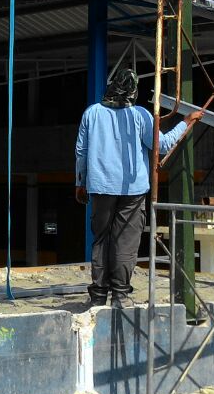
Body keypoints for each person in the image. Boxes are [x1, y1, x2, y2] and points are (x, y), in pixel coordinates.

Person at [74, 69, 204, 307]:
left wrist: (80, 183)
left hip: (100, 187)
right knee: (125, 242)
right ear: (133, 92)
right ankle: (120, 296)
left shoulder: (91, 113)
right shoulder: (141, 116)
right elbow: (162, 146)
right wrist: (187, 122)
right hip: (133, 191)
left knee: (101, 240)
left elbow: (81, 151)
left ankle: (99, 296)